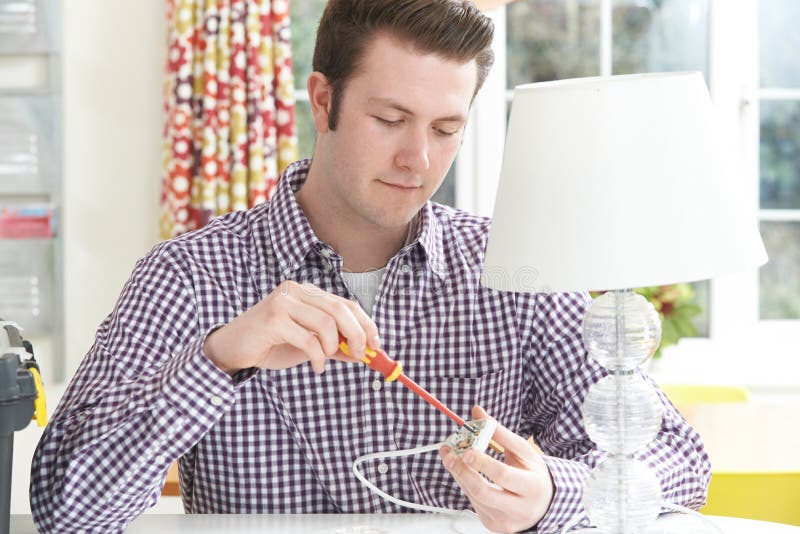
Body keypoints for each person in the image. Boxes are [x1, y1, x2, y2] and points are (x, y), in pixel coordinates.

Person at [30, 0, 711, 532]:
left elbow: (677, 464)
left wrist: (552, 496)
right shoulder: (188, 276)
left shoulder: (515, 271)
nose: (418, 159)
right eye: (390, 119)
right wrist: (219, 359)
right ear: (323, 102)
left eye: (446, 129)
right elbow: (66, 510)